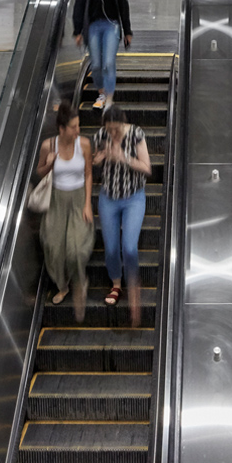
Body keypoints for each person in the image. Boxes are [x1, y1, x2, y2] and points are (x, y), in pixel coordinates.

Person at [92, 102, 152, 325]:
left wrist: (124, 158)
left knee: (129, 247)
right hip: (108, 197)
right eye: (109, 129)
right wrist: (97, 159)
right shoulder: (100, 135)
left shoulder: (136, 133)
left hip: (133, 198)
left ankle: (134, 288)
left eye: (116, 129)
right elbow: (92, 160)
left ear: (123, 123)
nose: (113, 133)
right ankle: (117, 285)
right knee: (110, 249)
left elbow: (147, 168)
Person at [35, 101, 93, 318]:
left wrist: (87, 203)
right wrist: (49, 164)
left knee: (75, 248)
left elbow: (88, 173)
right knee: (53, 246)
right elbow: (40, 172)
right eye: (74, 127)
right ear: (62, 129)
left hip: (78, 198)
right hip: (57, 199)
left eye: (78, 126)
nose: (78, 131)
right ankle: (63, 286)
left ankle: (80, 284)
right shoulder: (48, 145)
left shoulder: (84, 144)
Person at [73, 0, 133, 109]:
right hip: (93, 26)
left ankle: (109, 97)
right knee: (96, 64)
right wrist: (77, 31)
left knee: (108, 62)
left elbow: (123, 6)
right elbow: (78, 7)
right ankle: (101, 93)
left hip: (111, 25)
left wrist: (127, 31)